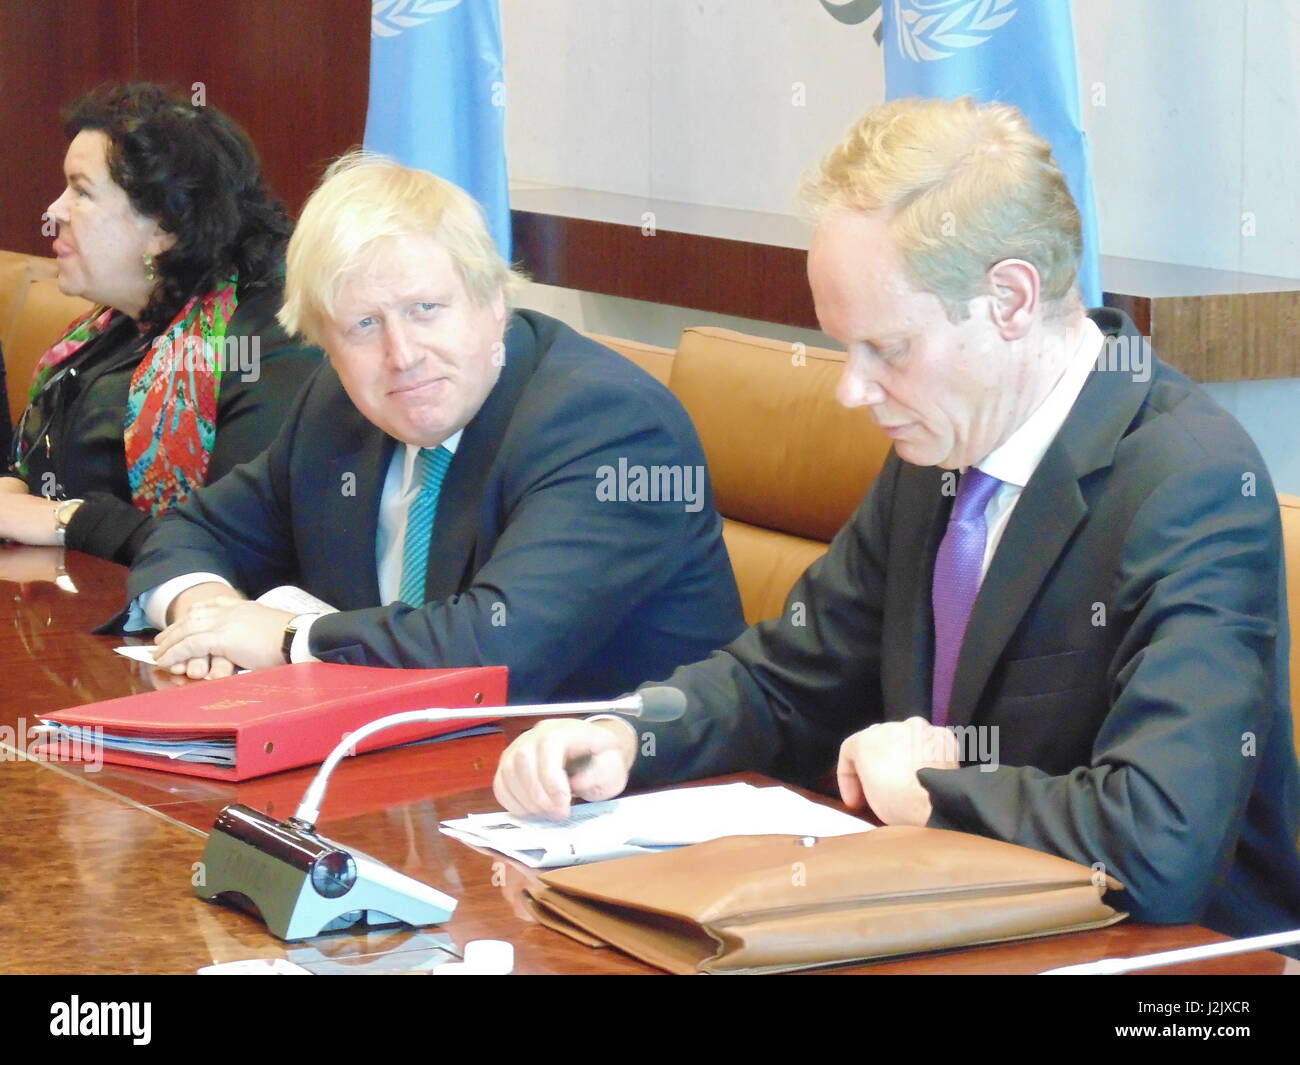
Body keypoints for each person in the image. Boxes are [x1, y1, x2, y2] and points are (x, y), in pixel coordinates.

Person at [494, 97, 1300, 944]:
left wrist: (933, 786)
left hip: (1172, 965)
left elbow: (1160, 840)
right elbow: (790, 675)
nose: (852, 389)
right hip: (939, 917)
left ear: (1010, 299)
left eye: (888, 348)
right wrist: (628, 733)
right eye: (845, 346)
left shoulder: (1192, 485)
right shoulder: (943, 441)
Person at [125, 152, 745, 703]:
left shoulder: (609, 425)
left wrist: (288, 638)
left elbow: (496, 646)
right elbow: (196, 530)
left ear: (493, 302)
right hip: (400, 761)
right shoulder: (340, 404)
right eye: (363, 325)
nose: (402, 355)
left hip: (613, 777)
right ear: (325, 346)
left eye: (425, 309)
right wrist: (207, 615)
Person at [0, 83, 320, 564]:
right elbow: (44, 469)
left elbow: (244, 547)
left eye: (81, 192)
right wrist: (12, 486)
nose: (54, 211)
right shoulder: (111, 325)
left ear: (164, 227)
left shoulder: (266, 346)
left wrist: (65, 520)